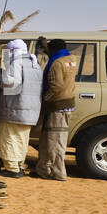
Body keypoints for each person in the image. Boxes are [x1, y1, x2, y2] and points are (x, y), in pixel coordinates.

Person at [0, 39, 42, 177]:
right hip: (29, 111)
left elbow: (10, 82)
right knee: (21, 139)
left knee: (10, 139)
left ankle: (12, 169)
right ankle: (20, 166)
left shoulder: (16, 62)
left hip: (15, 110)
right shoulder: (34, 63)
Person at [35, 38, 79, 180]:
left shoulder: (56, 63)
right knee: (51, 139)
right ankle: (44, 169)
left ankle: (58, 172)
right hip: (67, 105)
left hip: (57, 106)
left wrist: (44, 98)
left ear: (53, 50)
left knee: (55, 141)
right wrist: (45, 47)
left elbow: (56, 86)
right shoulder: (71, 59)